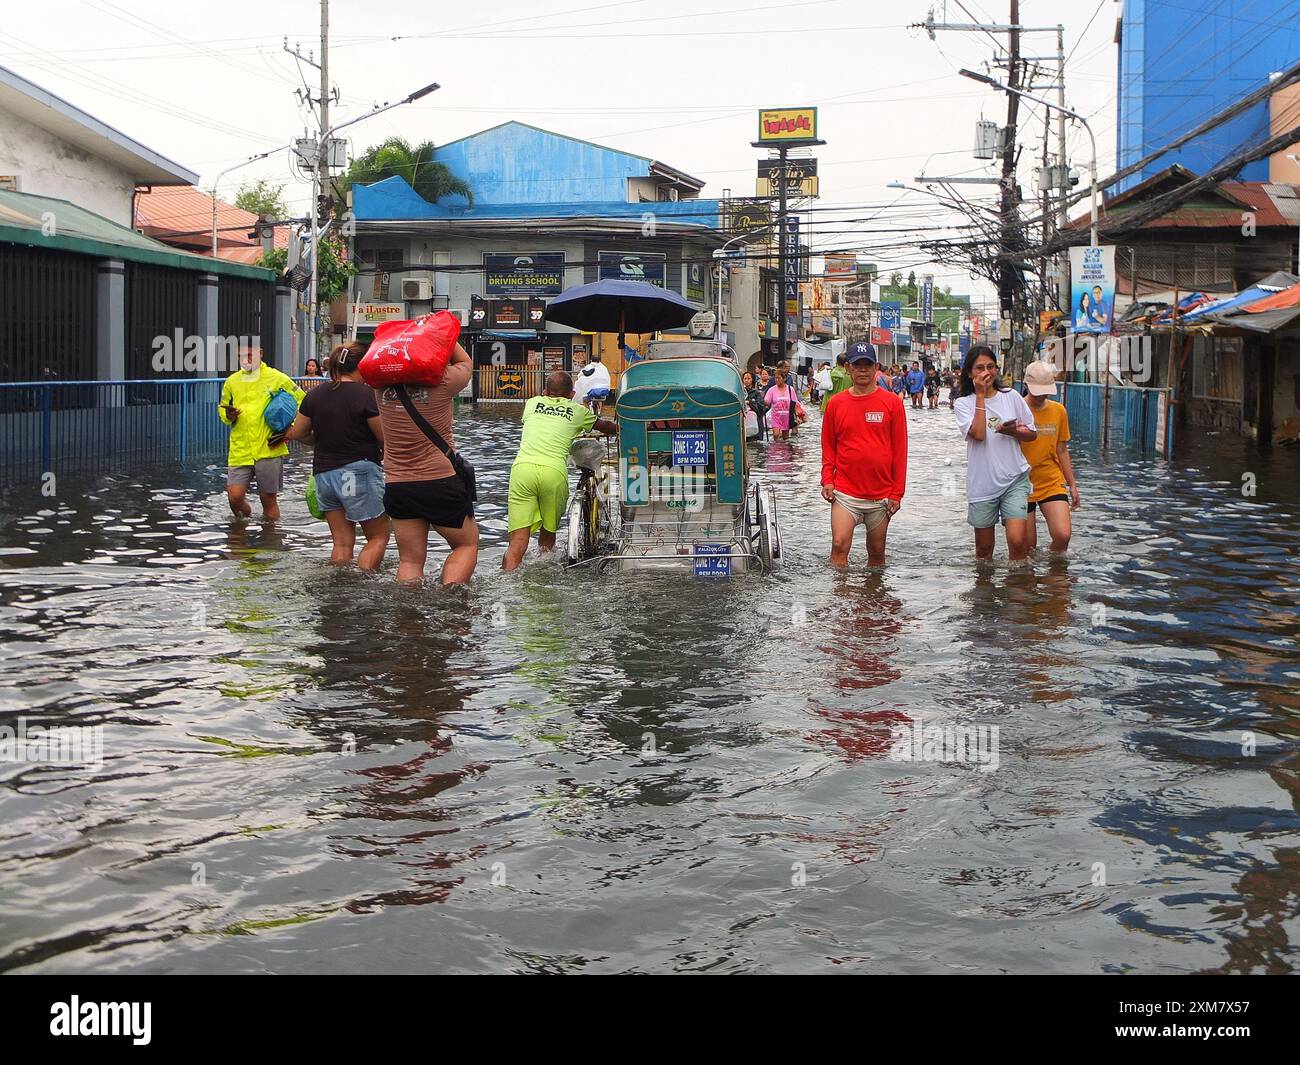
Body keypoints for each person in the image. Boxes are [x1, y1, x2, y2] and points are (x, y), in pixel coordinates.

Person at [376, 341, 477, 585]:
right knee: (465, 545)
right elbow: (466, 363)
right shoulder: (442, 381)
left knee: (409, 560)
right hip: (439, 482)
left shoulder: (380, 387)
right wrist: (444, 336)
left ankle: (408, 618)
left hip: (398, 485)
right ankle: (451, 603)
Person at [286, 341, 389, 570]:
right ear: (363, 366)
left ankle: (339, 584)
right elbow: (383, 436)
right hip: (357, 473)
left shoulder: (314, 395)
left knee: (342, 544)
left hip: (324, 476)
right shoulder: (367, 395)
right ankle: (363, 586)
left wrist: (322, 439)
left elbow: (300, 433)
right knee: (378, 536)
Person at [502, 371, 617, 571]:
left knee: (517, 541)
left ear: (544, 391)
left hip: (522, 470)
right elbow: (605, 426)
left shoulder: (531, 403)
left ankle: (507, 580)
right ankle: (543, 567)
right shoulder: (577, 411)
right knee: (548, 531)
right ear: (571, 394)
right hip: (552, 473)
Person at [820, 341, 907, 567]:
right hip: (845, 491)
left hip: (880, 493)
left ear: (876, 367)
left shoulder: (891, 403)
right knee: (839, 544)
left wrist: (897, 492)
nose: (862, 370)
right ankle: (839, 597)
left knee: (876, 552)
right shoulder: (836, 404)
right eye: (857, 365)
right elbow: (828, 446)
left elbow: (900, 450)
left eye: (867, 365)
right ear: (848, 368)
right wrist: (827, 479)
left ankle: (874, 598)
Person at [953, 345, 1039, 563]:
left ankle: (1017, 590)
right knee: (983, 550)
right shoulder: (963, 404)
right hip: (982, 484)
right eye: (979, 368)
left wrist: (1014, 431)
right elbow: (979, 434)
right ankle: (984, 594)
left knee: (1018, 540)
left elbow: (1032, 433)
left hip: (1014, 479)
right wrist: (980, 397)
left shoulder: (1011, 396)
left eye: (990, 366)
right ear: (969, 373)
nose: (986, 372)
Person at [218, 344, 305, 521]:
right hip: (240, 448)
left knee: (268, 499)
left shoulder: (277, 377)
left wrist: (291, 428)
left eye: (249, 355)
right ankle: (244, 524)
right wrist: (228, 415)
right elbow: (222, 409)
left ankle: (270, 540)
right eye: (241, 356)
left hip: (269, 446)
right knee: (234, 497)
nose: (245, 360)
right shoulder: (231, 381)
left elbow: (302, 400)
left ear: (261, 353)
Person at [1019, 359, 1080, 553]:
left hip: (1051, 480)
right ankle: (1030, 579)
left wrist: (1072, 485)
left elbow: (1062, 450)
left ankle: (1053, 572)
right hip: (1021, 483)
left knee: (1063, 535)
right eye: (1037, 390)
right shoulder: (1016, 408)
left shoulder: (1058, 411)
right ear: (1026, 385)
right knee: (1028, 546)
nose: (1042, 395)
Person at [764, 364, 800, 441]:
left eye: (779, 378)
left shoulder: (790, 389)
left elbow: (795, 403)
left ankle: (784, 451)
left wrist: (797, 416)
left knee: (785, 438)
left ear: (784, 378)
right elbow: (767, 401)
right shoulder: (772, 390)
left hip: (786, 416)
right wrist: (763, 401)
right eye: (775, 378)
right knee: (776, 434)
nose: (776, 380)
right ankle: (776, 450)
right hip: (776, 416)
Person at [742, 370, 768, 440]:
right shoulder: (741, 393)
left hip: (756, 422)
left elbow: (761, 408)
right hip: (744, 422)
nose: (746, 380)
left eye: (748, 378)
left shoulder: (756, 393)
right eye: (745, 379)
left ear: (752, 380)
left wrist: (750, 402)